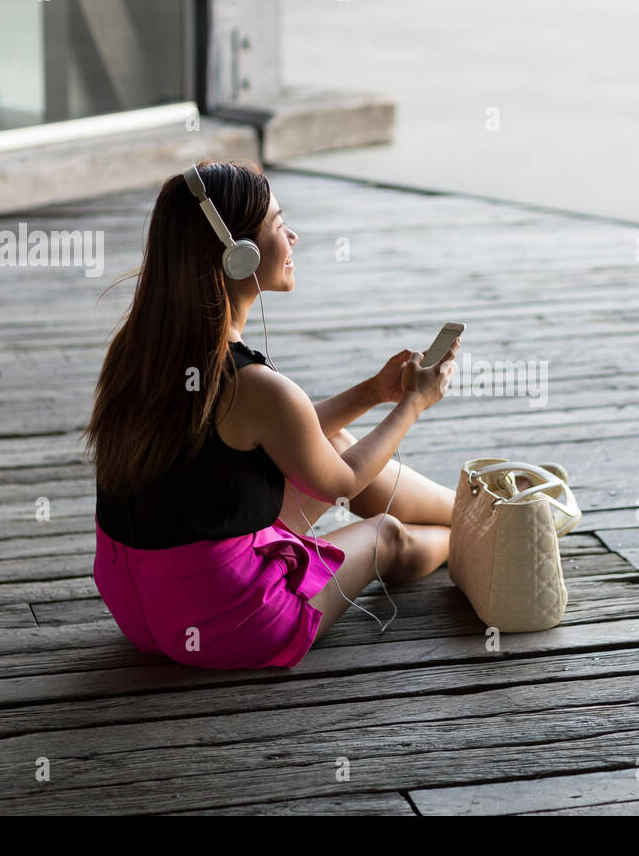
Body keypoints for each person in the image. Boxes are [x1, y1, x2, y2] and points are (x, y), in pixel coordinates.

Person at [82, 159, 459, 669]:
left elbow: (282, 434)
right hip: (224, 617)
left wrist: (373, 391)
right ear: (238, 256)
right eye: (280, 225)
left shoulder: (139, 348)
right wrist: (414, 402)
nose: (294, 237)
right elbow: (343, 485)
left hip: (142, 603)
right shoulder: (254, 386)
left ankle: (472, 512)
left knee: (339, 441)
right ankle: (476, 537)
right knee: (386, 532)